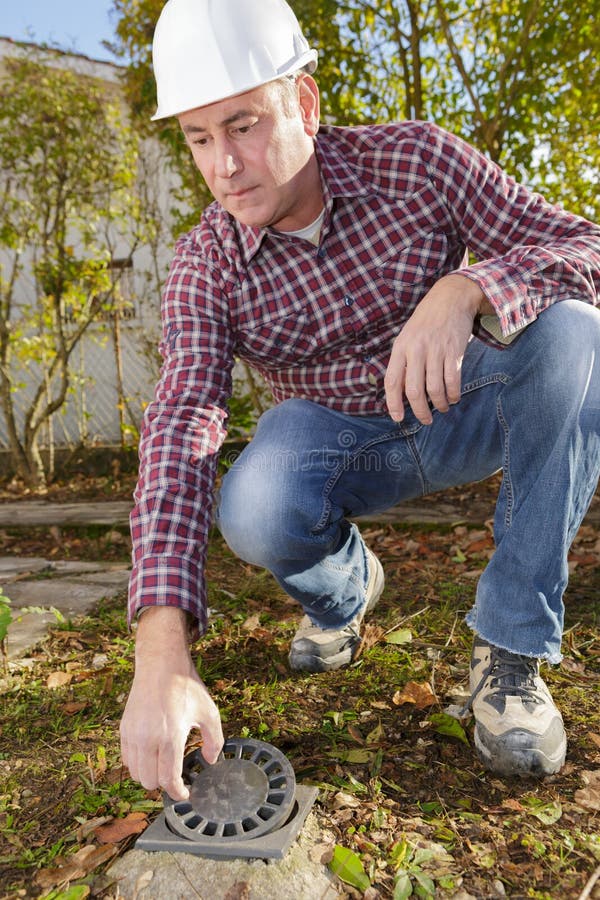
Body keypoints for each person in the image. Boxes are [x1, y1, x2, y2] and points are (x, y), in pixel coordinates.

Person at [120, 0, 600, 801]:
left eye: (243, 126)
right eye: (199, 138)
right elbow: (181, 423)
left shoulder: (416, 161)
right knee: (253, 502)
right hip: (337, 443)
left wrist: (469, 285)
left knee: (581, 335)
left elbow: (587, 244)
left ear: (303, 103)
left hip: (462, 404)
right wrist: (160, 653)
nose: (224, 166)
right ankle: (346, 594)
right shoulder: (207, 262)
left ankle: (511, 650)